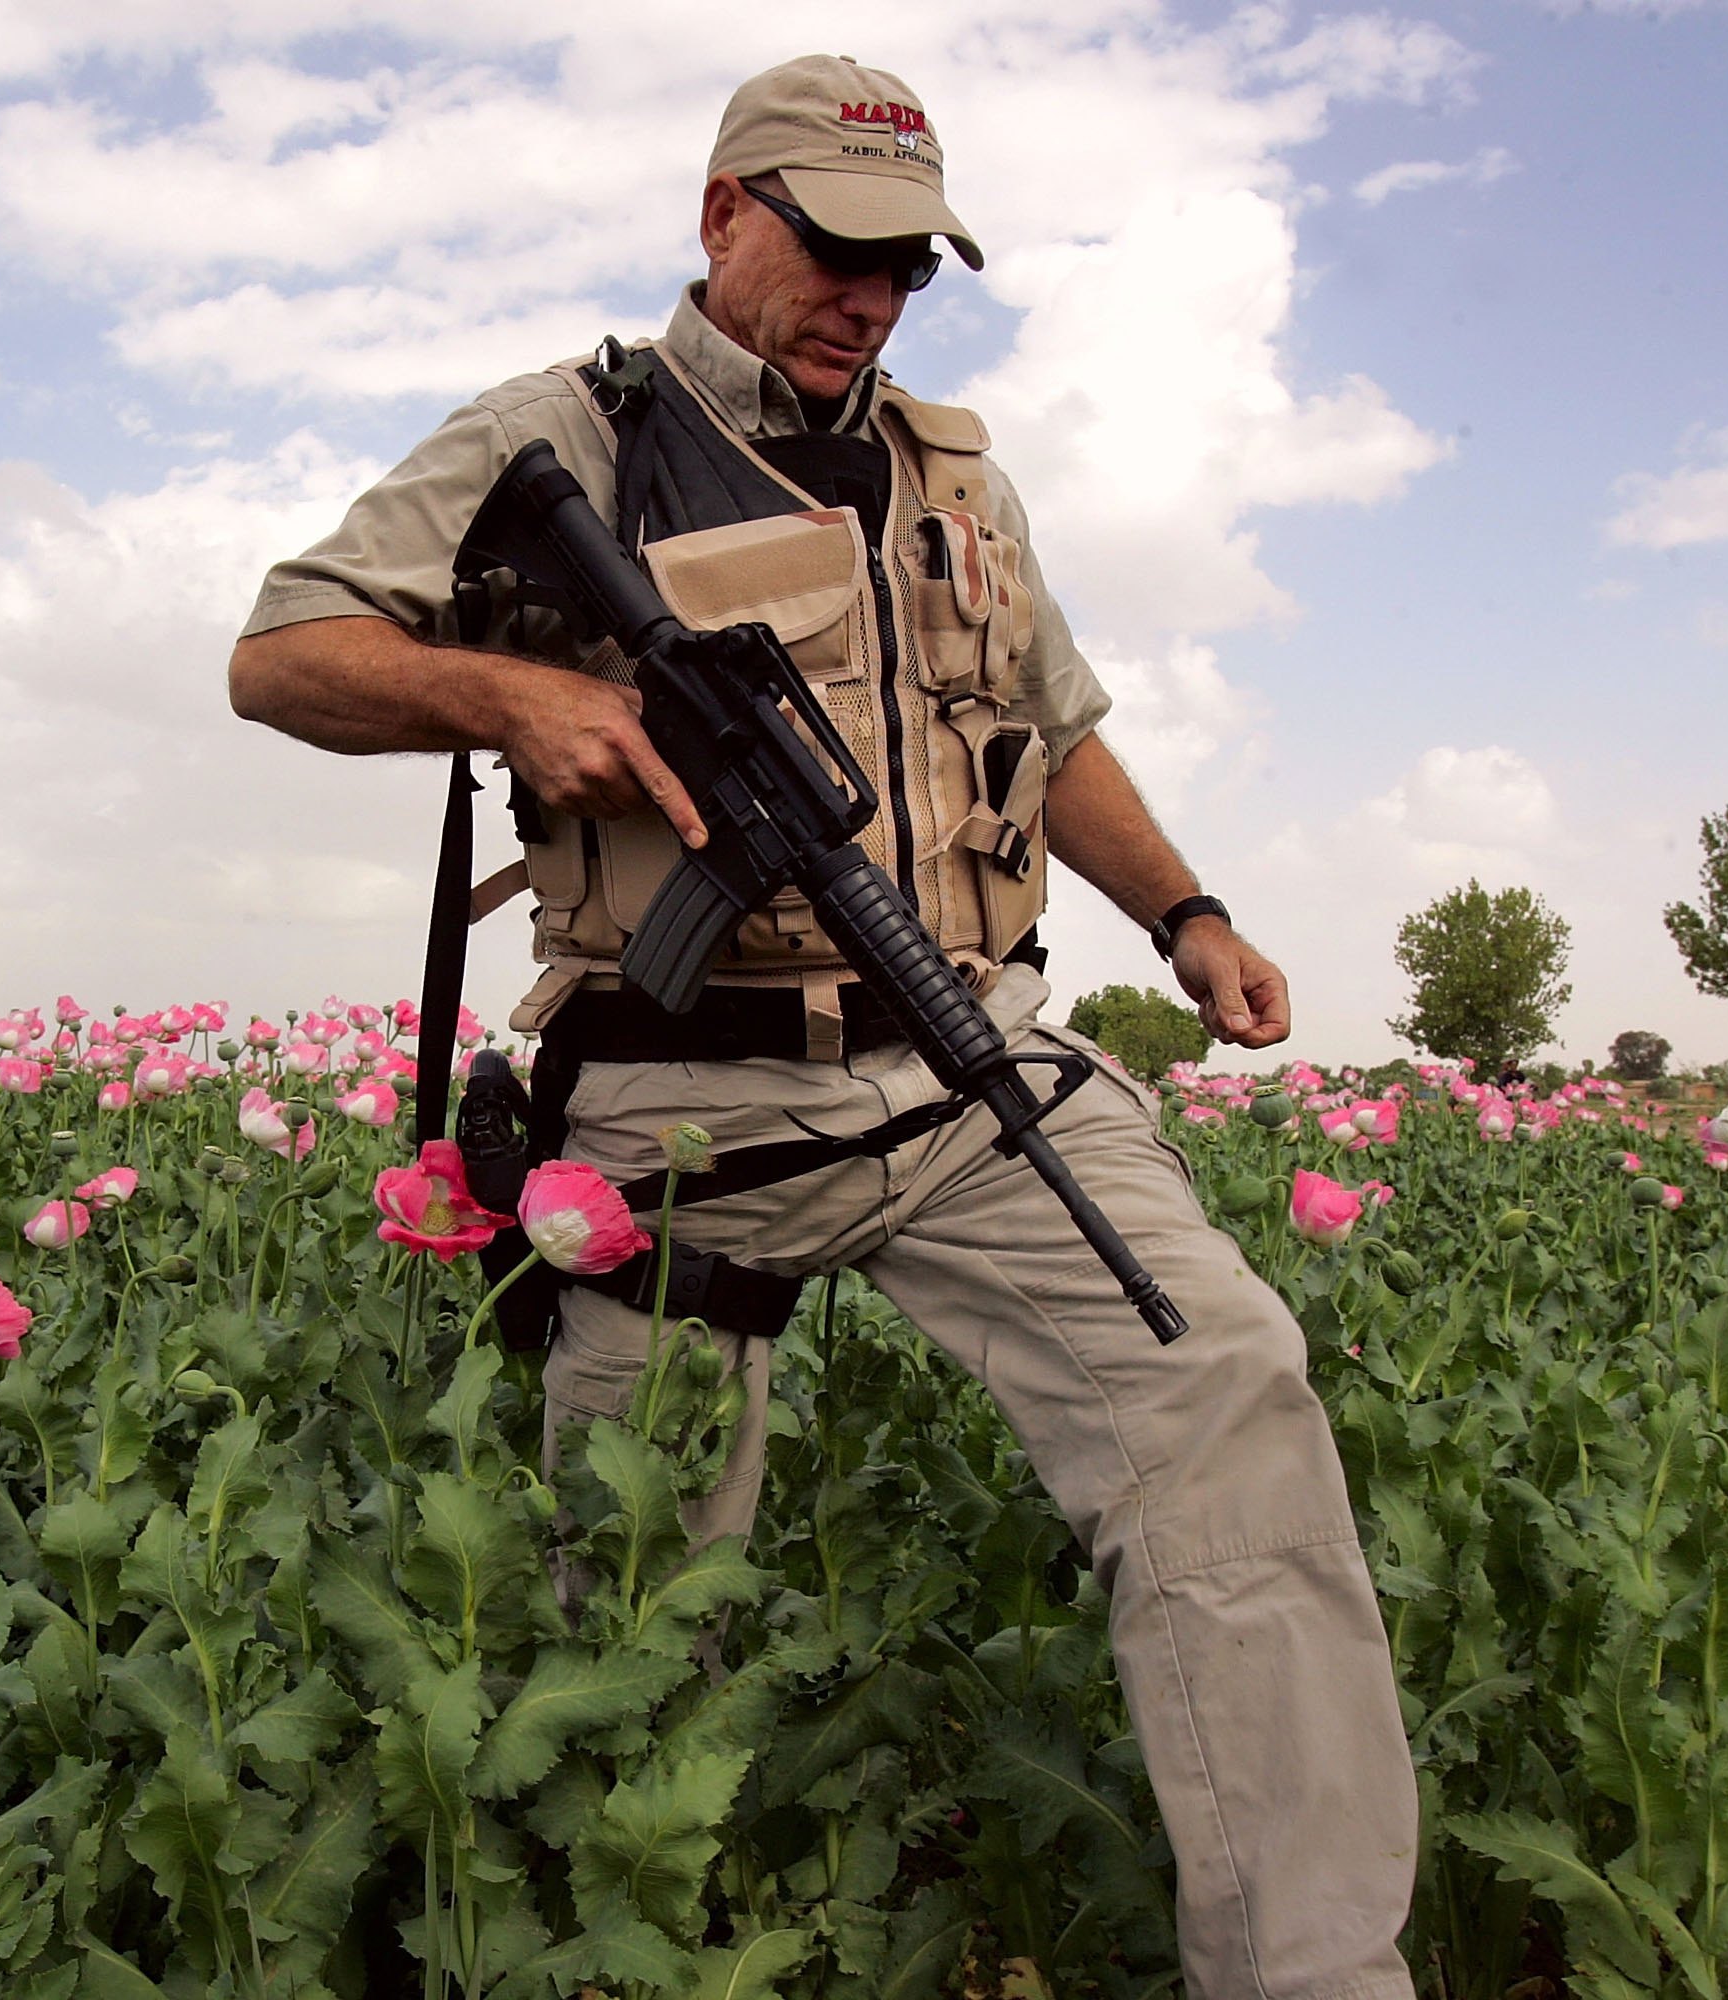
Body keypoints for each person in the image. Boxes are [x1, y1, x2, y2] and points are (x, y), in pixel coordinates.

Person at [228, 55, 1415, 1999]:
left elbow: (1058, 729)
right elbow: (283, 653)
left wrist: (1189, 915)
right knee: (623, 1594)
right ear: (721, 217)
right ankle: (591, 1952)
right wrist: (508, 702)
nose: (869, 295)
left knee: (1226, 1392)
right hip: (679, 1102)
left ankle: (1318, 1975)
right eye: (834, 247)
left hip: (970, 1070)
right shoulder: (564, 434)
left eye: (907, 266)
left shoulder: (960, 473)